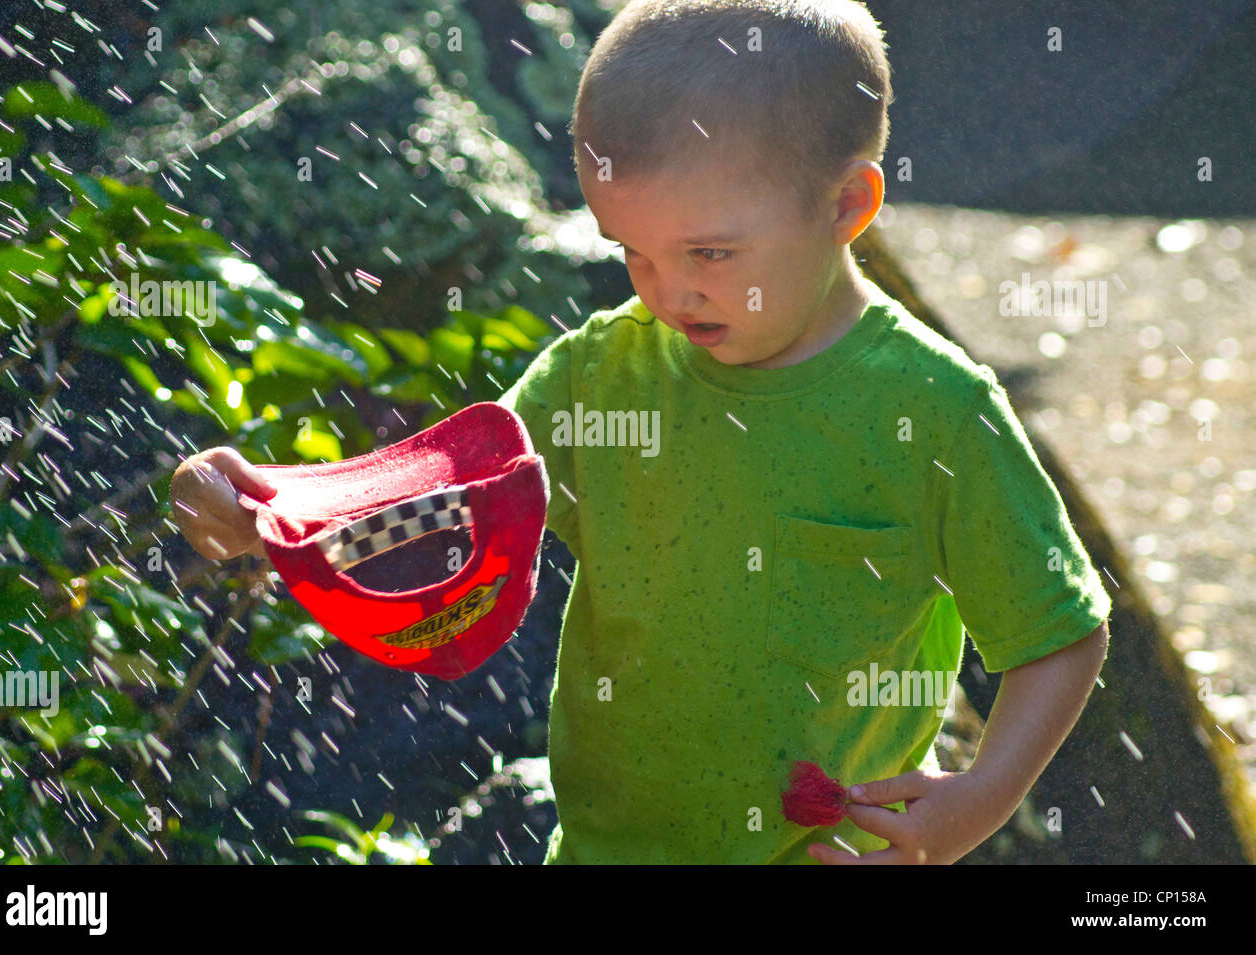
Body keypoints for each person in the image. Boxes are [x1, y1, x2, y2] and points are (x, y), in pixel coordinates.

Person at [172, 0, 1111, 864]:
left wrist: (980, 798)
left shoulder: (933, 411)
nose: (667, 292)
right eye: (632, 251)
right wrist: (273, 502)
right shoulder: (604, 371)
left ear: (846, 208)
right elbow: (443, 498)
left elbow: (1059, 630)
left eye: (709, 253)